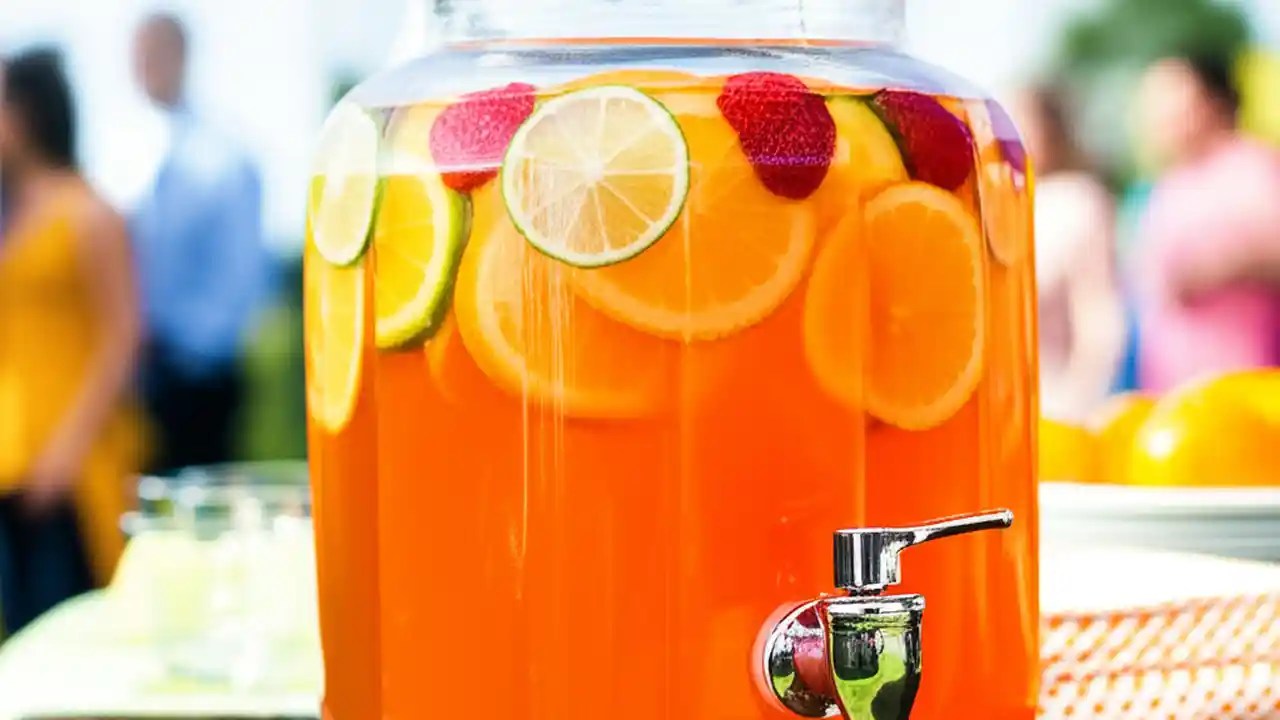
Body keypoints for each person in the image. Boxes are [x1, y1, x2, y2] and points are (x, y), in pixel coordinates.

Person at [0, 49, 143, 633]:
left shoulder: (89, 214)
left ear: (29, 114)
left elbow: (123, 337)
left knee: (74, 628)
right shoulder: (12, 217)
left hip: (71, 470)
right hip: (13, 458)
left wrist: (66, 451)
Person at [130, 12, 268, 471]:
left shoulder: (221, 156)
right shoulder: (135, 148)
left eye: (153, 54)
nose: (143, 67)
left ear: (180, 56)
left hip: (197, 375)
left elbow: (241, 275)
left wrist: (186, 355)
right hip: (148, 376)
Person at [1133, 53, 1280, 393]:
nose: (1161, 114)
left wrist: (1222, 264)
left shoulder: (1253, 167)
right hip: (1174, 385)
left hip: (1246, 378)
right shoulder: (1167, 185)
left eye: (1173, 97)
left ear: (1214, 99)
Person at [1008, 84, 1125, 421]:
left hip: (1059, 405)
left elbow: (1098, 315)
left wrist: (1080, 400)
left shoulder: (1079, 202)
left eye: (1023, 121)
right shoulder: (1000, 201)